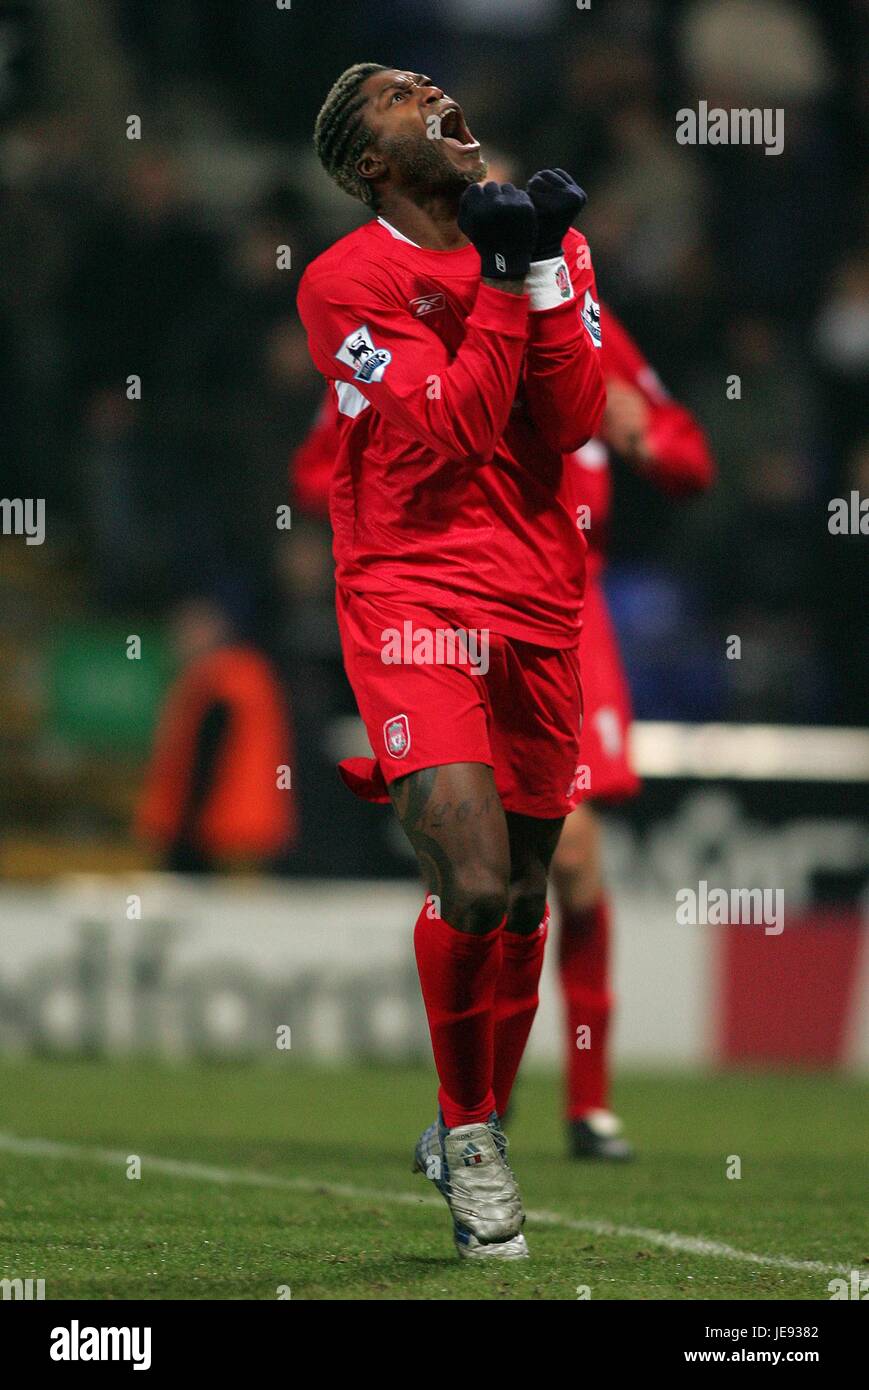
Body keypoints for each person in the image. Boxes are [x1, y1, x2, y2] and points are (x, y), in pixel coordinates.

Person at [296, 63, 605, 1260]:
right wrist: (495, 274)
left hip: (538, 596)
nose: (423, 86)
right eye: (390, 92)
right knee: (472, 880)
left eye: (422, 77)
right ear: (369, 162)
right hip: (410, 589)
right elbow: (453, 427)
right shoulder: (342, 282)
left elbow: (567, 420)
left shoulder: (549, 246)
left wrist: (535, 265)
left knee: (525, 893)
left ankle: (459, 1115)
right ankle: (472, 1133)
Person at [553, 310, 715, 1161]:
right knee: (495, 865)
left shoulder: (589, 326)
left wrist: (643, 440)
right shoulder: (427, 311)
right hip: (464, 602)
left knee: (571, 853)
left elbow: (692, 460)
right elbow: (325, 469)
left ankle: (588, 1103)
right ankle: (475, 1102)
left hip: (571, 610)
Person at [137, 598, 296, 873]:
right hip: (249, 830)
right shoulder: (247, 675)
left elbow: (203, 764)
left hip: (217, 835)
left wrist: (182, 832)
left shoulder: (219, 684)